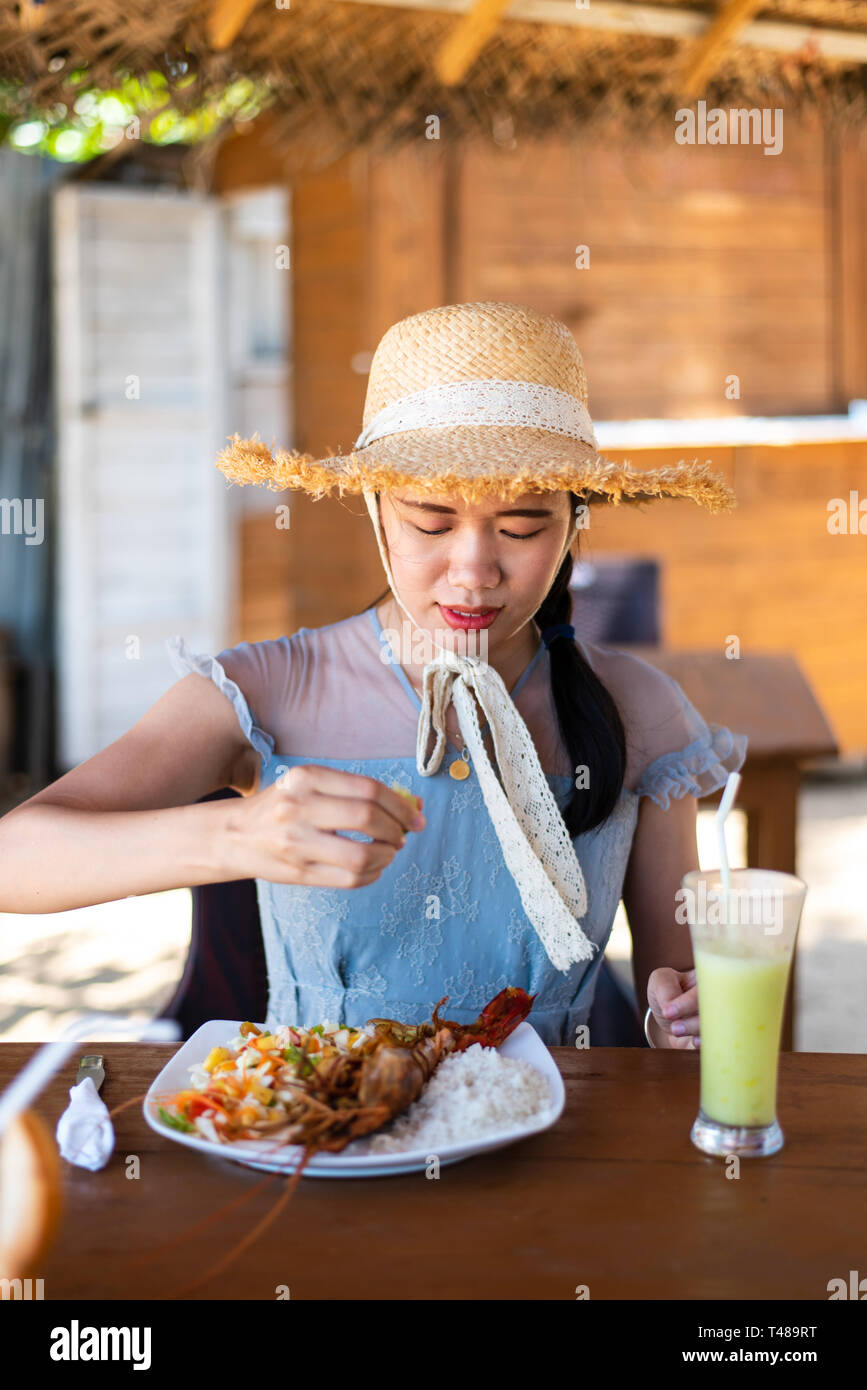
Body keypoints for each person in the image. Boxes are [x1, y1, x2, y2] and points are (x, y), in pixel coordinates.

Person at [0, 300, 746, 1050]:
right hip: (322, 1142)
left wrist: (679, 1017)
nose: (473, 570)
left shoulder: (638, 708)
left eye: (522, 526)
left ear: (575, 520)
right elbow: (16, 858)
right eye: (431, 521)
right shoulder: (266, 690)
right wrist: (237, 833)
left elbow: (675, 997)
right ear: (374, 506)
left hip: (554, 1141)